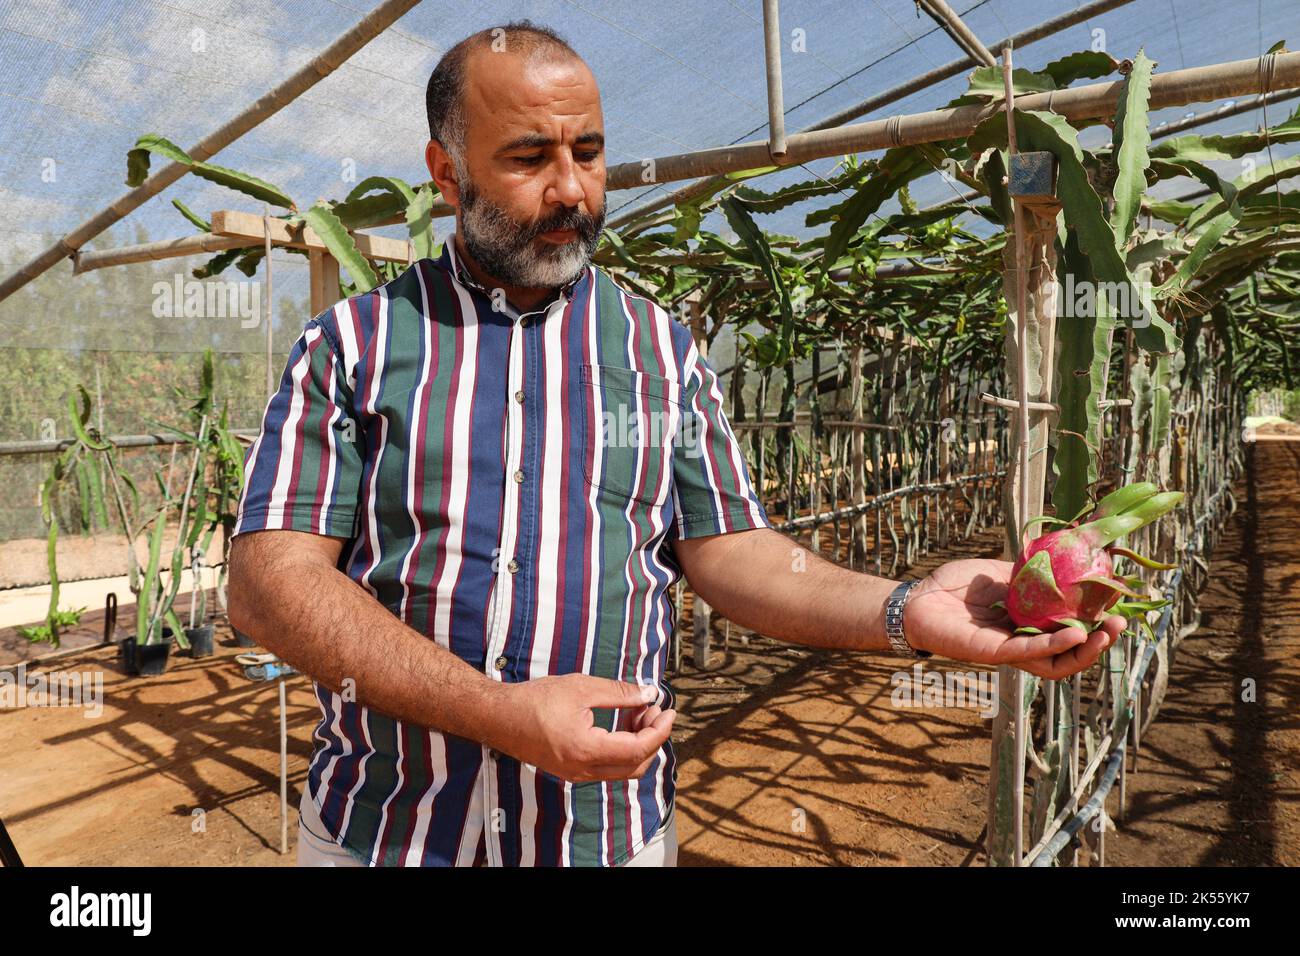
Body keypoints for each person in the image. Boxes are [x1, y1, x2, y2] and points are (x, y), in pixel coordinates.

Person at [227, 20, 1124, 868]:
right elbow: (271, 584)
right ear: (447, 172)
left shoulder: (659, 348)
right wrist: (496, 712)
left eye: (589, 152)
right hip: (388, 832)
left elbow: (731, 552)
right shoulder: (357, 342)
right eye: (529, 158)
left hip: (606, 837)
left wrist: (903, 610)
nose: (572, 190)